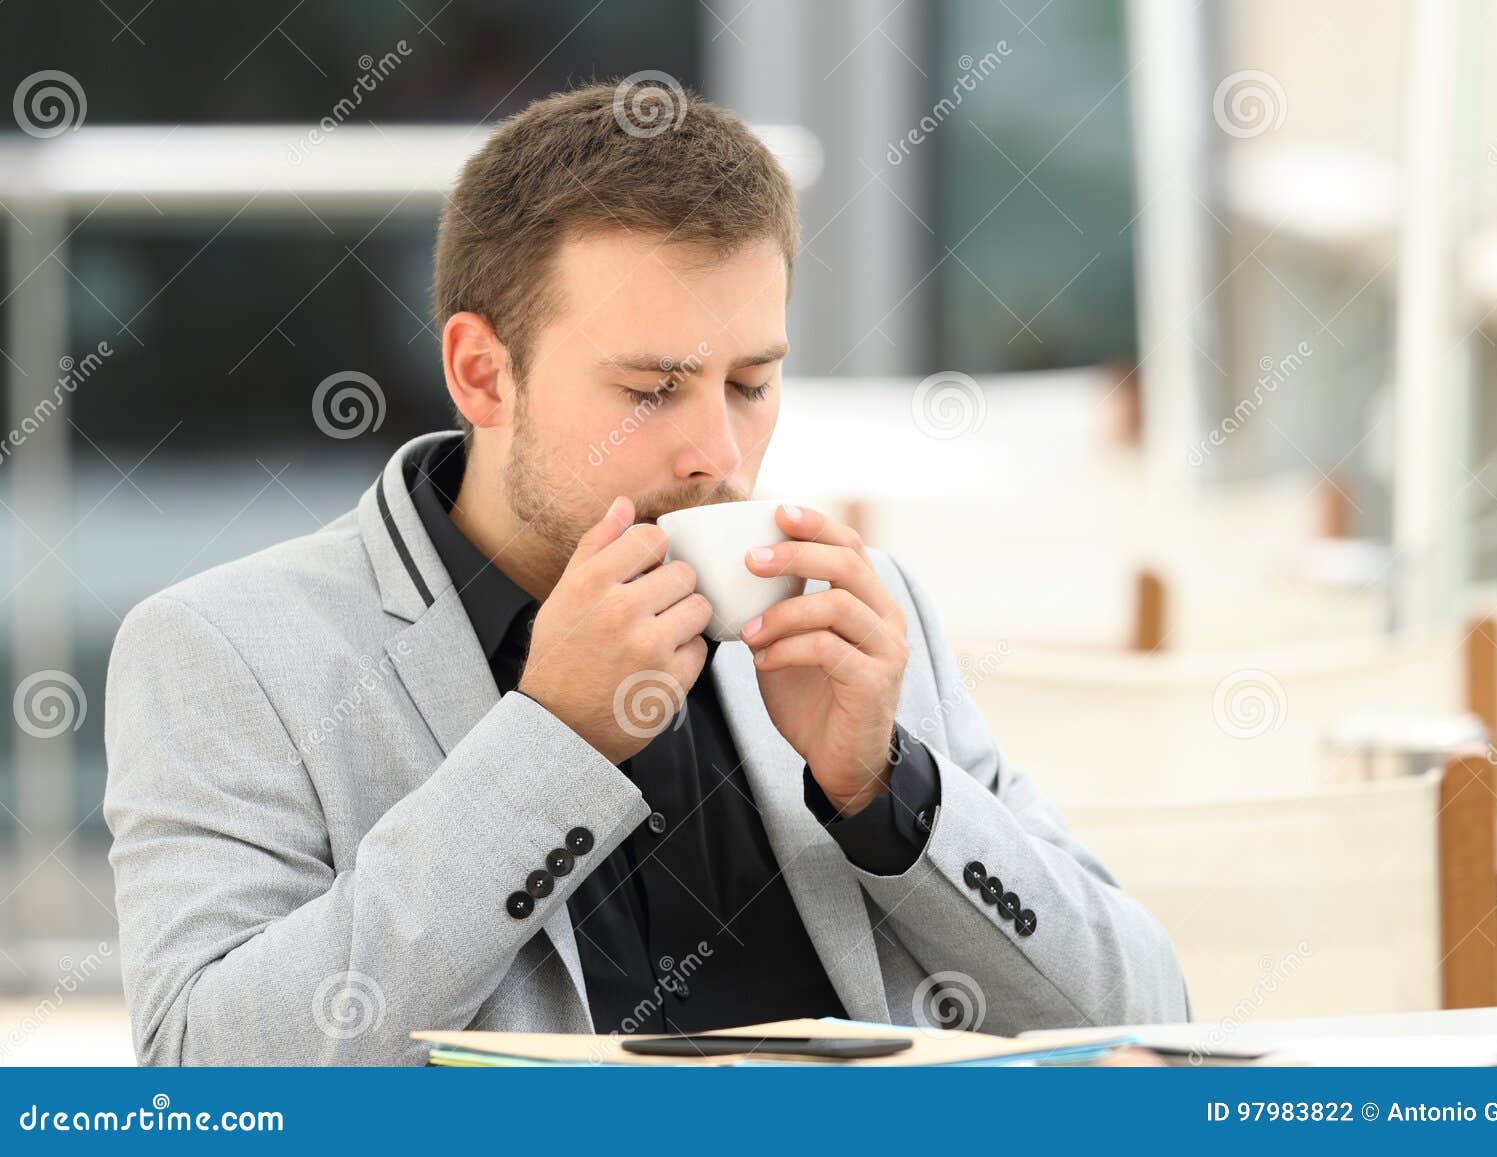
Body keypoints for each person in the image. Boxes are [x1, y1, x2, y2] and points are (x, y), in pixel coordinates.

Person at [103, 80, 1189, 1066]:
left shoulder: (856, 617)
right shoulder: (225, 650)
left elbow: (1145, 1012)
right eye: (651, 387)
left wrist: (886, 792)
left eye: (751, 381)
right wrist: (550, 748)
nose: (717, 450)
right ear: (484, 374)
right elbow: (208, 1082)